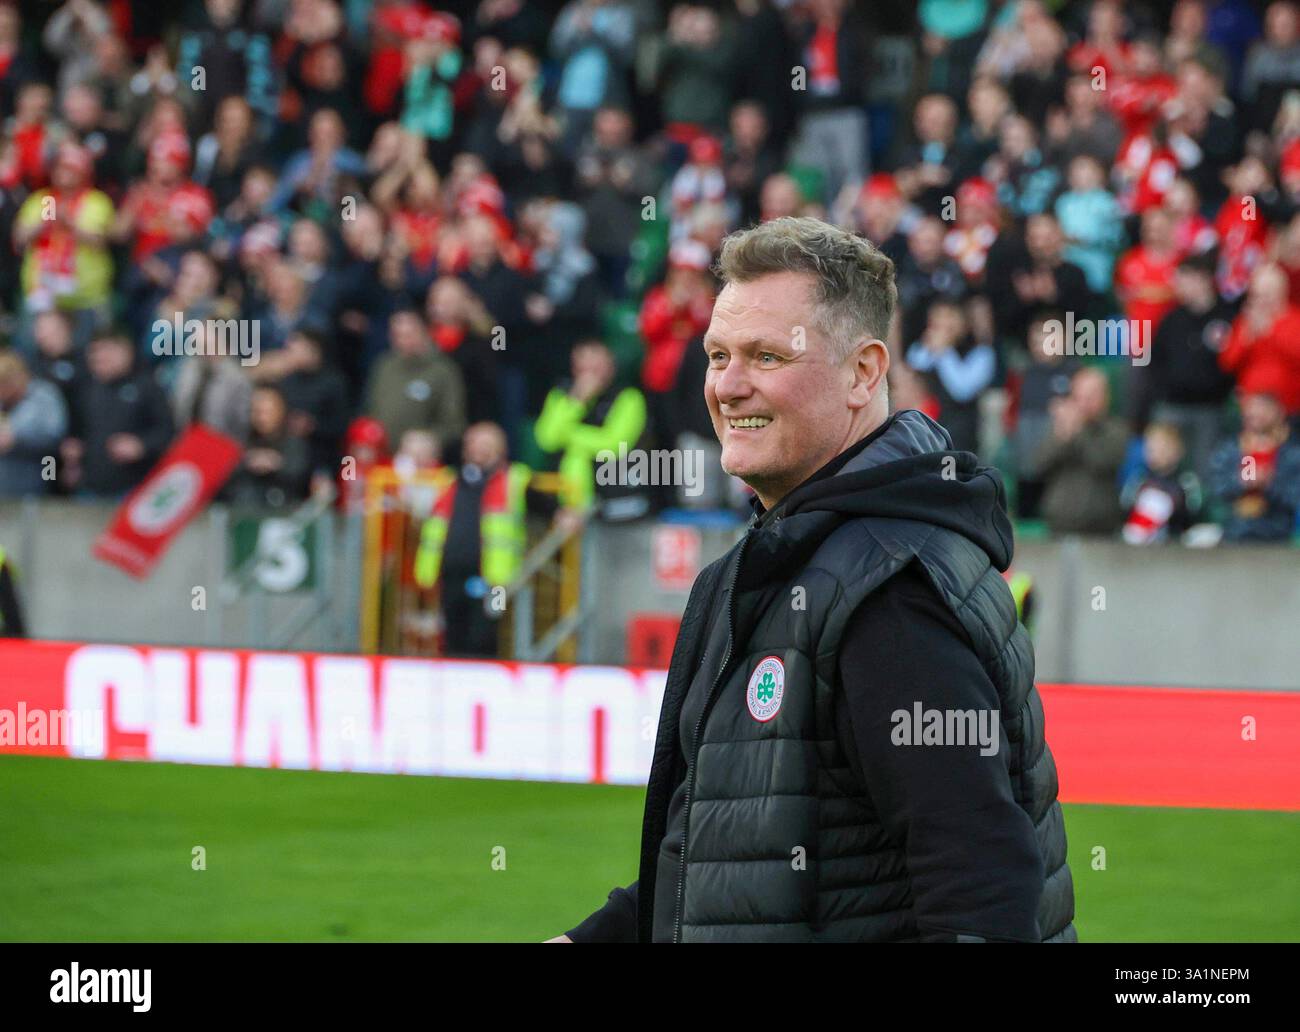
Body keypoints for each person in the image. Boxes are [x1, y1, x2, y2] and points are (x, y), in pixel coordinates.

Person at [551, 216, 1074, 943]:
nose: (729, 387)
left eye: (766, 356)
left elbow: (980, 889)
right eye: (717, 355)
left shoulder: (889, 592)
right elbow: (715, 864)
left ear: (863, 373)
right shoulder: (755, 568)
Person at [413, 422, 531, 658]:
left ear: (501, 450)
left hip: (495, 581)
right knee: (452, 636)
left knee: (486, 634)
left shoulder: (514, 479)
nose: (479, 451)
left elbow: (545, 503)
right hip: (452, 575)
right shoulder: (448, 480)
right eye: (475, 444)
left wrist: (566, 512)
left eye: (487, 445)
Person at [1033, 367, 1129, 536]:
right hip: (1059, 522)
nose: (1084, 402)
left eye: (1091, 396)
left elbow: (1103, 461)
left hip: (1100, 525)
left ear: (1105, 398)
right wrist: (1061, 437)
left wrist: (1077, 431)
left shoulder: (1116, 429)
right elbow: (1039, 464)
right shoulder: (1060, 428)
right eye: (1079, 396)